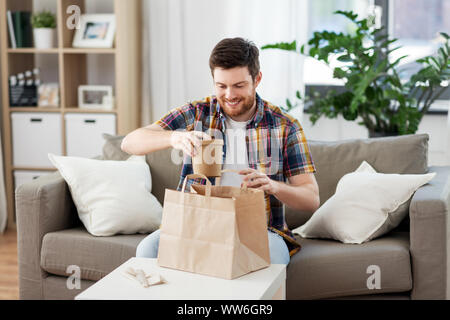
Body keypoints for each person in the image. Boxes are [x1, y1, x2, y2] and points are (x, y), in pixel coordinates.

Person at [121, 37, 320, 265]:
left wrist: (273, 186)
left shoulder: (285, 126)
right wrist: (174, 137)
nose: (229, 95)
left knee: (273, 260)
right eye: (221, 86)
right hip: (194, 224)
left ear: (257, 79)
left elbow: (311, 199)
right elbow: (129, 142)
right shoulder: (197, 114)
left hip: (259, 229)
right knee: (147, 250)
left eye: (239, 86)